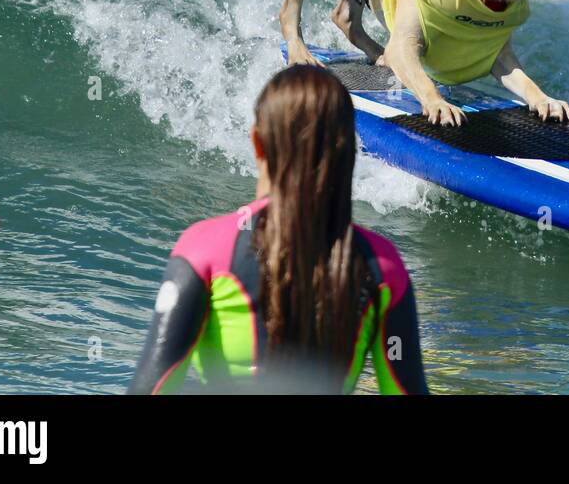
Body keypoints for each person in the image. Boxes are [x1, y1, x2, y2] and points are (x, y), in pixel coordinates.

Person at [128, 65, 428, 394]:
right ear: (347, 150)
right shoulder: (383, 267)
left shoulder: (206, 248)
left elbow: (151, 387)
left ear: (258, 142)